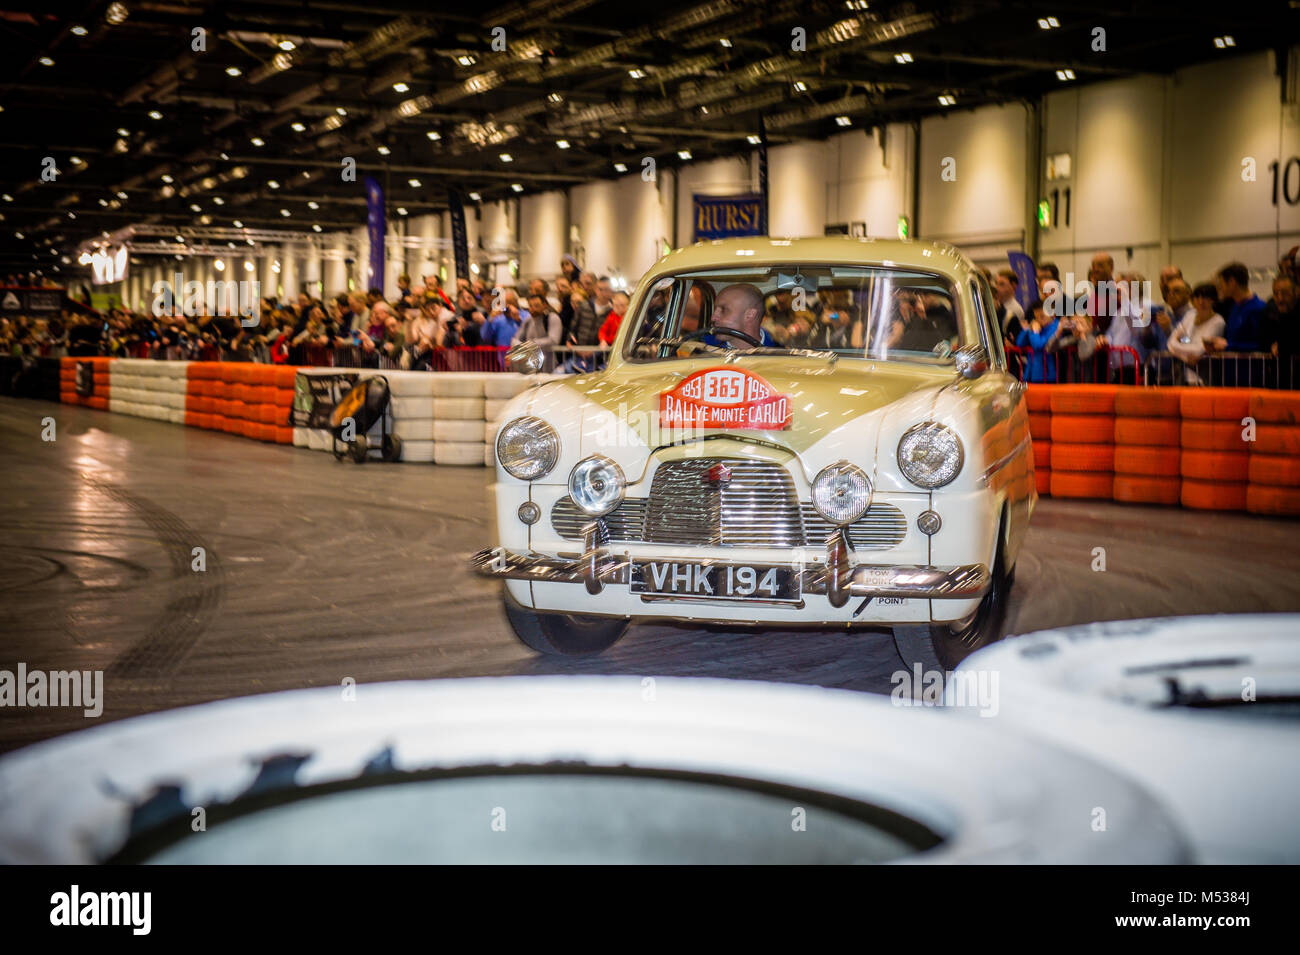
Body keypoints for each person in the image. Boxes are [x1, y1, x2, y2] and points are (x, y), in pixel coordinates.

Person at [1168, 283, 1226, 385]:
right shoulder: (1190, 315)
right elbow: (1170, 343)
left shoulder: (1218, 322)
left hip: (1205, 377)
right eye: (1197, 297)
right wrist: (1186, 357)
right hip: (1185, 376)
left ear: (1213, 300)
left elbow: (1200, 349)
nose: (1201, 301)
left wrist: (1180, 346)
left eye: (1205, 298)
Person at [1260, 275, 1298, 388]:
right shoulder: (1270, 311)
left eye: (1285, 293)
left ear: (1295, 292)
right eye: (1276, 293)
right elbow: (1264, 341)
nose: (1280, 298)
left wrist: (1282, 345)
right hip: (1278, 380)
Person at [1015, 299, 1060, 382]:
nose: (1038, 320)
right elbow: (1019, 343)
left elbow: (1038, 345)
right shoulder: (1038, 325)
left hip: (1047, 376)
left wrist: (1035, 332)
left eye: (1042, 316)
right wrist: (1028, 329)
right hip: (1032, 373)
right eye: (1036, 317)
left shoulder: (1057, 327)